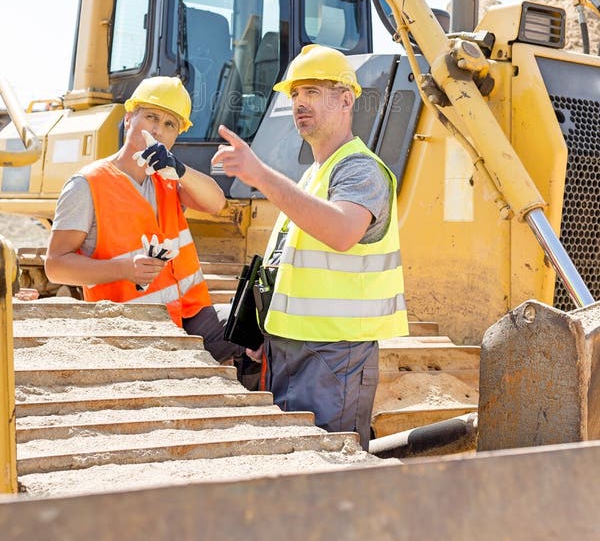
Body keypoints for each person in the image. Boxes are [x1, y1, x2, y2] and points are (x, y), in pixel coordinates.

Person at [211, 44, 408, 449]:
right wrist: (265, 331)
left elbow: (341, 231)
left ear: (346, 100)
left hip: (332, 356)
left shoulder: (360, 169)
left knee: (327, 466)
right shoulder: (314, 176)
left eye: (313, 92)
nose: (300, 103)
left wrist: (260, 175)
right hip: (290, 348)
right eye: (296, 94)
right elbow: (287, 266)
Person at [45, 75, 258, 382]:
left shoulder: (168, 179)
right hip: (132, 329)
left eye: (170, 124)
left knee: (257, 329)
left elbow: (216, 202)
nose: (158, 129)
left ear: (175, 136)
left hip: (190, 317)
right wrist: (124, 269)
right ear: (128, 118)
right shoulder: (87, 185)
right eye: (151, 117)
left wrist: (180, 169)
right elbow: (55, 266)